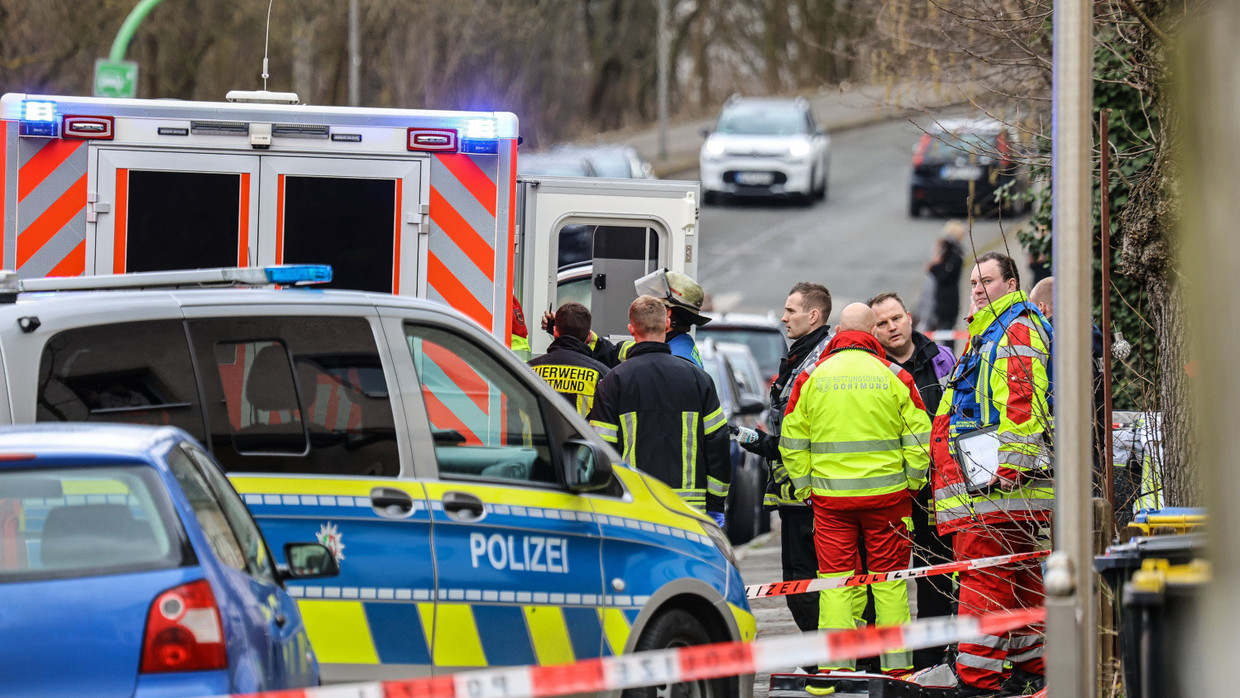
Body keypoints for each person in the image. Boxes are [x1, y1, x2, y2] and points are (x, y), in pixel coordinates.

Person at [781, 303, 932, 680]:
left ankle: (836, 668)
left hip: (831, 504)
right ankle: (897, 671)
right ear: (871, 332)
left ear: (838, 333)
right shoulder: (895, 374)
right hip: (889, 502)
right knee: (889, 585)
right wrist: (912, 483)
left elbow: (791, 440)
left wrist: (804, 489)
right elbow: (920, 438)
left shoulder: (811, 376)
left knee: (835, 586)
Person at [932, 251, 1053, 697]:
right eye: (974, 283)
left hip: (995, 489)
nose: (978, 289)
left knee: (983, 582)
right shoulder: (993, 333)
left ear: (1011, 283)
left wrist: (1008, 471)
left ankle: (978, 681)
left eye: (986, 281)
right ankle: (1035, 666)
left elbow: (1022, 402)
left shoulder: (1013, 330)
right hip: (998, 489)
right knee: (1018, 580)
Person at [733, 282, 833, 635]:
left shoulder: (820, 361)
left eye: (791, 310)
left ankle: (823, 658)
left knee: (808, 581)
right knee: (796, 581)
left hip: (811, 493)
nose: (784, 317)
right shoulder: (802, 355)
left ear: (814, 315)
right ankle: (817, 655)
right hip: (794, 492)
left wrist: (766, 444)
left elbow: (808, 435)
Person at [867, 291, 956, 671]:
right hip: (889, 491)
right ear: (874, 330)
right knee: (884, 583)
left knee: (936, 578)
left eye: (896, 319)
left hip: (936, 491)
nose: (892, 328)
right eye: (882, 324)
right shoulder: (871, 367)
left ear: (908, 317)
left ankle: (930, 663)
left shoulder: (940, 359)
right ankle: (880, 666)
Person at [588, 295, 731, 526]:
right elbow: (719, 443)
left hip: (634, 508)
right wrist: (715, 505)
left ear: (631, 329)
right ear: (666, 324)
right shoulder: (699, 379)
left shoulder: (613, 381)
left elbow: (601, 449)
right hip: (688, 513)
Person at [1029, 276, 1109, 497]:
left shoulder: (1053, 339)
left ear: (1041, 308)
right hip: (1093, 434)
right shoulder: (1088, 333)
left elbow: (1052, 397)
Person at [527, 302, 611, 417]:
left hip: (537, 436)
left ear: (555, 331)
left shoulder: (528, 370)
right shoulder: (602, 376)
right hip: (583, 436)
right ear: (588, 337)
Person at [920, 220, 966, 335]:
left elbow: (943, 274)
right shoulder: (950, 254)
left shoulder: (952, 255)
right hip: (941, 300)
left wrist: (933, 267)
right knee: (942, 331)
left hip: (944, 300)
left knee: (946, 331)